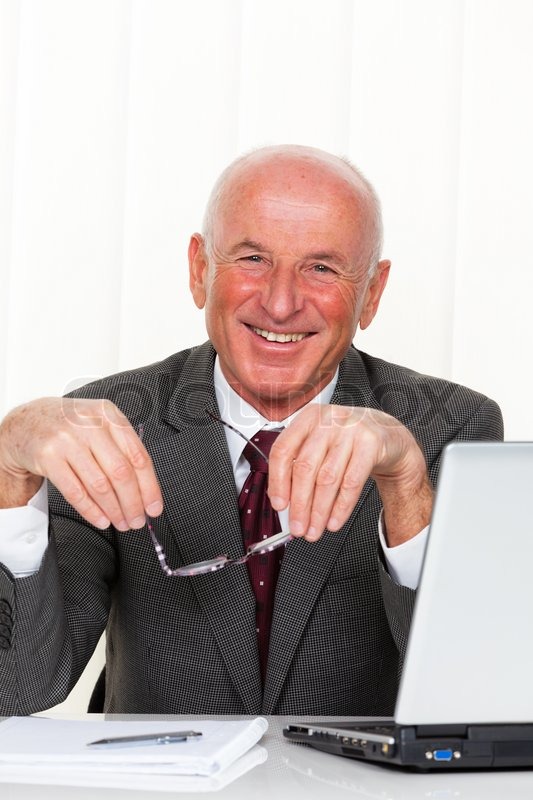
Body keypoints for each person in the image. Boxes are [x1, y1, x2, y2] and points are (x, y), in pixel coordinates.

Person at [0, 145, 502, 716]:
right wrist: (9, 478)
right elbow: (19, 687)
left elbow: (475, 693)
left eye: (321, 268)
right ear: (199, 270)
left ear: (372, 293)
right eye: (253, 259)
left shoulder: (451, 426)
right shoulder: (106, 420)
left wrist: (407, 485)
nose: (281, 303)